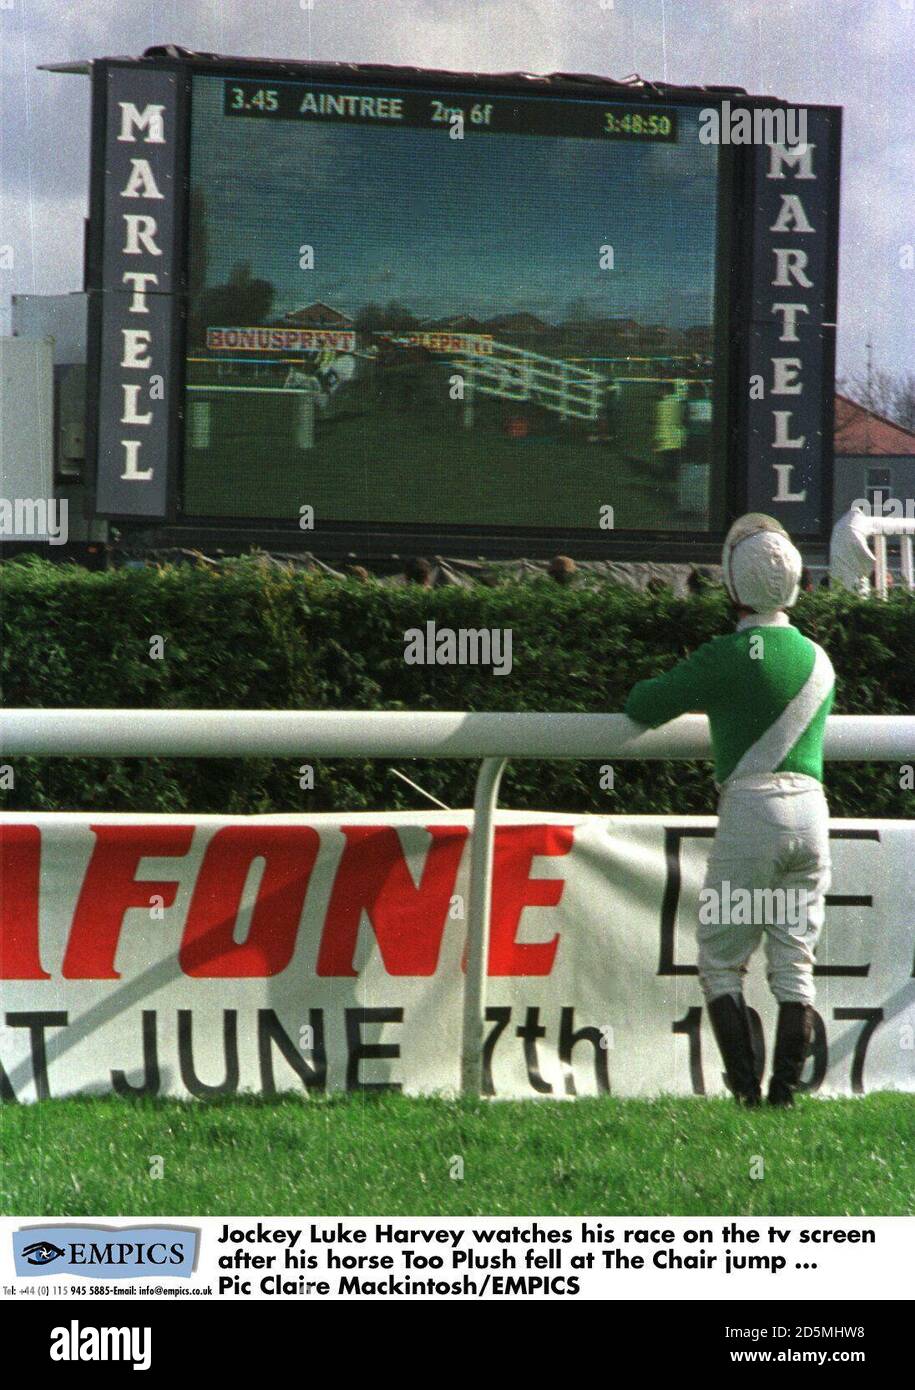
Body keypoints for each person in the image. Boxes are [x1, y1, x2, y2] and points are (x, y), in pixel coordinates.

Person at [624, 514, 835, 1107]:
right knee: (795, 965)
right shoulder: (821, 661)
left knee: (721, 962)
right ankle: (784, 1096)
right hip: (813, 819)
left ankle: (745, 1093)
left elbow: (644, 705)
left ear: (734, 587)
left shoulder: (726, 655)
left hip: (751, 816)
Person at [829, 503, 876, 594]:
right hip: (855, 580)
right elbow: (867, 559)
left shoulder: (840, 526)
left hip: (842, 576)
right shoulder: (852, 526)